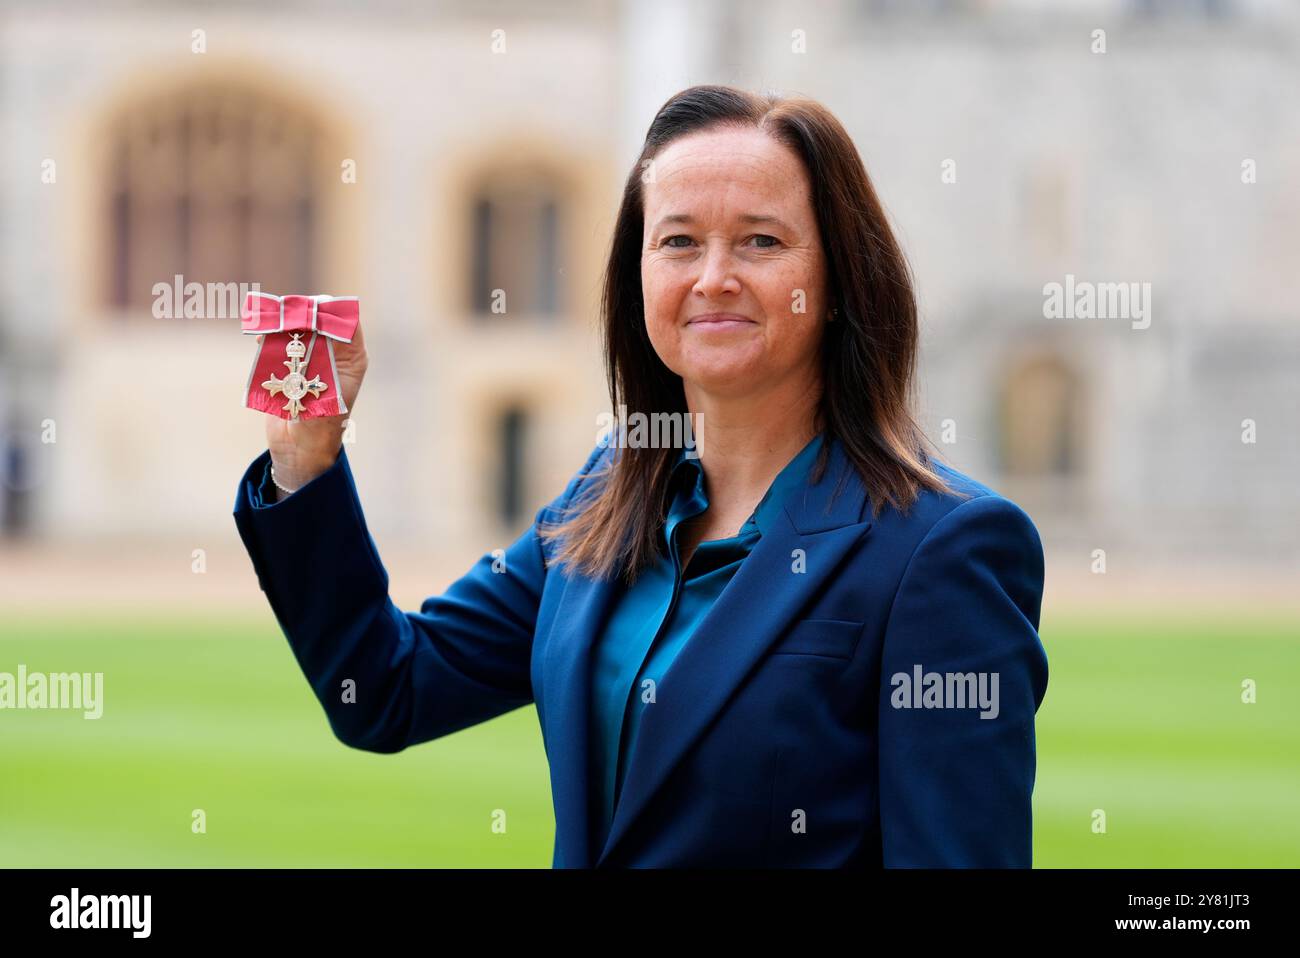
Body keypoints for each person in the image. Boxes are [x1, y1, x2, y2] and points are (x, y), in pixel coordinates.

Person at [233, 84, 1049, 868]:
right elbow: (384, 690)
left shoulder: (943, 548)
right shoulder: (610, 495)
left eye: (762, 241)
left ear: (837, 283)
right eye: (678, 241)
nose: (713, 276)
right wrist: (306, 459)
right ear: (639, 277)